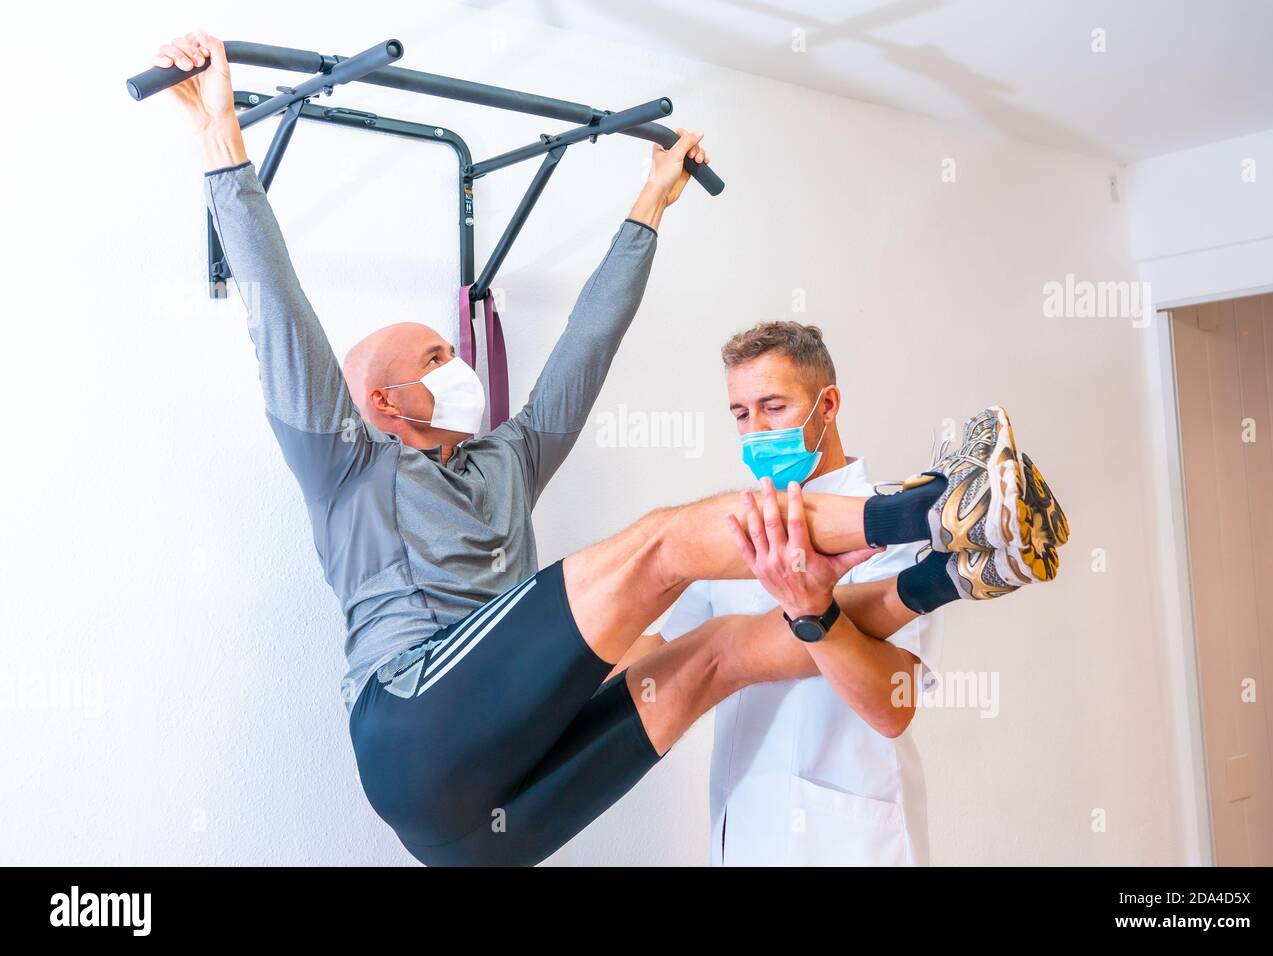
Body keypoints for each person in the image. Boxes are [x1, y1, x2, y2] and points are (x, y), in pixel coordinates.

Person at [153, 30, 1069, 866]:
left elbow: (584, 350)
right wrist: (221, 143)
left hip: (486, 826)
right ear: (387, 401)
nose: (456, 359)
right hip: (409, 737)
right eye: (437, 355)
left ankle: (962, 568)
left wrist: (650, 204)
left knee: (715, 652)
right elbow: (280, 315)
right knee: (668, 541)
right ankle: (937, 506)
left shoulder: (504, 463)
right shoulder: (347, 465)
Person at [615, 322, 944, 865]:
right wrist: (544, 662)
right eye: (741, 415)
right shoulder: (735, 529)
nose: (757, 431)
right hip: (744, 831)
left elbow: (894, 707)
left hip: (846, 840)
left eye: (773, 407)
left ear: (828, 404)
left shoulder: (891, 524)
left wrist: (812, 611)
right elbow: (664, 656)